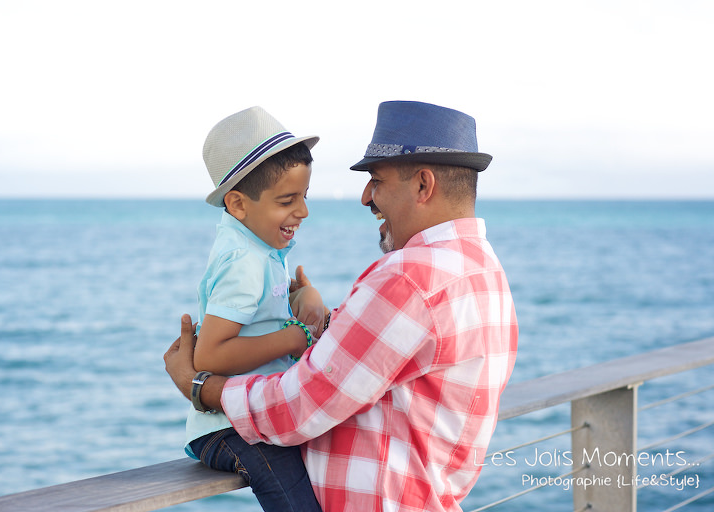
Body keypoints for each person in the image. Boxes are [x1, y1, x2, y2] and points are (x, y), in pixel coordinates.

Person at [166, 100, 519, 511]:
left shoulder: (409, 278)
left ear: (423, 185)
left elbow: (302, 404)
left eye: (377, 180)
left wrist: (199, 386)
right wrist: (321, 319)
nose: (366, 196)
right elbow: (386, 362)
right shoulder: (484, 271)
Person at [184, 106, 324, 511]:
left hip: (250, 416)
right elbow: (209, 355)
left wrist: (300, 301)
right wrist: (296, 335)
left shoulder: (259, 250)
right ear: (239, 205)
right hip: (229, 427)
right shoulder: (244, 261)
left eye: (304, 196)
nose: (303, 211)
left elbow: (261, 316)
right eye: (287, 200)